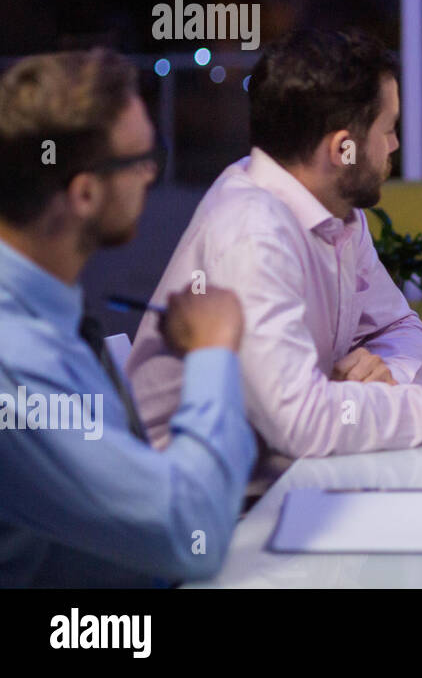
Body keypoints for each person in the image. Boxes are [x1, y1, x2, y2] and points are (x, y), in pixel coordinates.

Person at [126, 30, 422, 484]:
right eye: (388, 130)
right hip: (203, 502)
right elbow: (302, 423)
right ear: (341, 149)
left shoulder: (332, 209)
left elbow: (400, 327)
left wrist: (387, 374)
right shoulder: (252, 232)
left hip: (283, 473)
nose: (395, 146)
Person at [0, 49, 255, 586]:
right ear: (85, 193)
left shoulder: (46, 308)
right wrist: (213, 351)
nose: (148, 175)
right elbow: (188, 533)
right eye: (140, 161)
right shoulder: (16, 363)